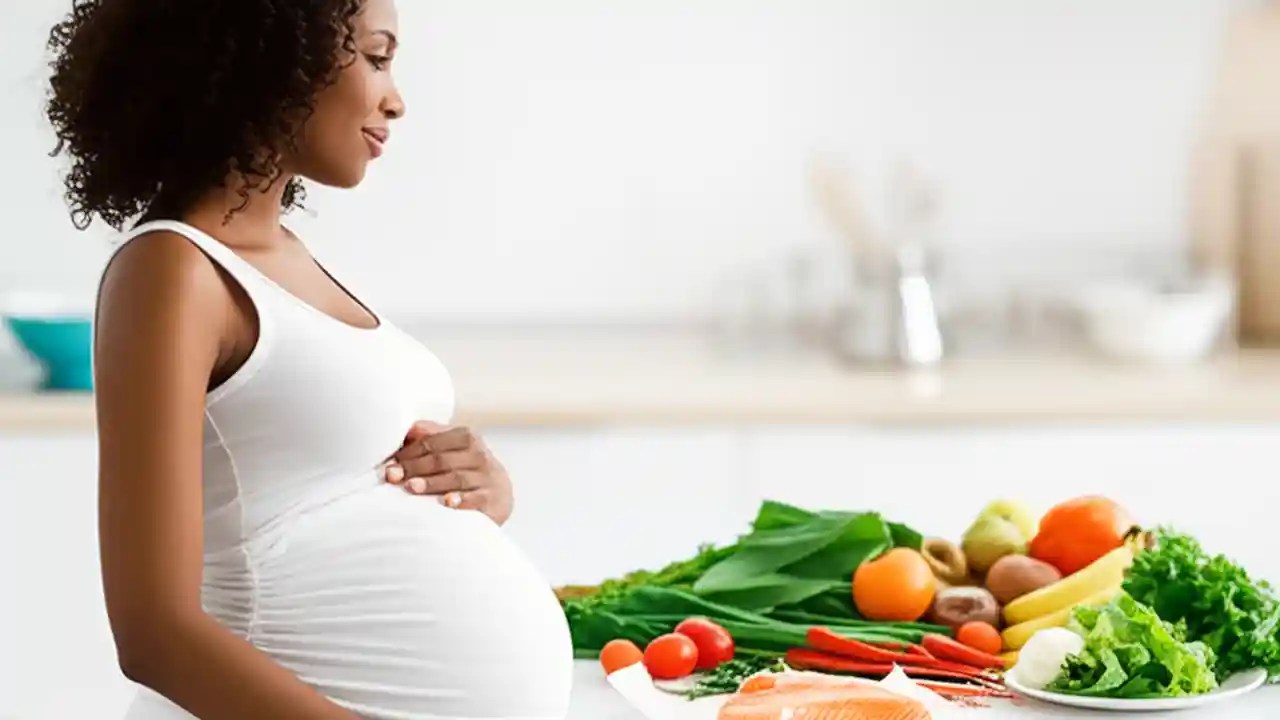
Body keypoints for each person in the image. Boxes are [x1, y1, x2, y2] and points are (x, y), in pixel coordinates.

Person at [44, 1, 574, 718]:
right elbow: (153, 632)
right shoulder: (171, 271)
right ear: (268, 56)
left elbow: (313, 489)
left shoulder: (285, 257)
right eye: (376, 57)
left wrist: (478, 494)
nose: (397, 98)